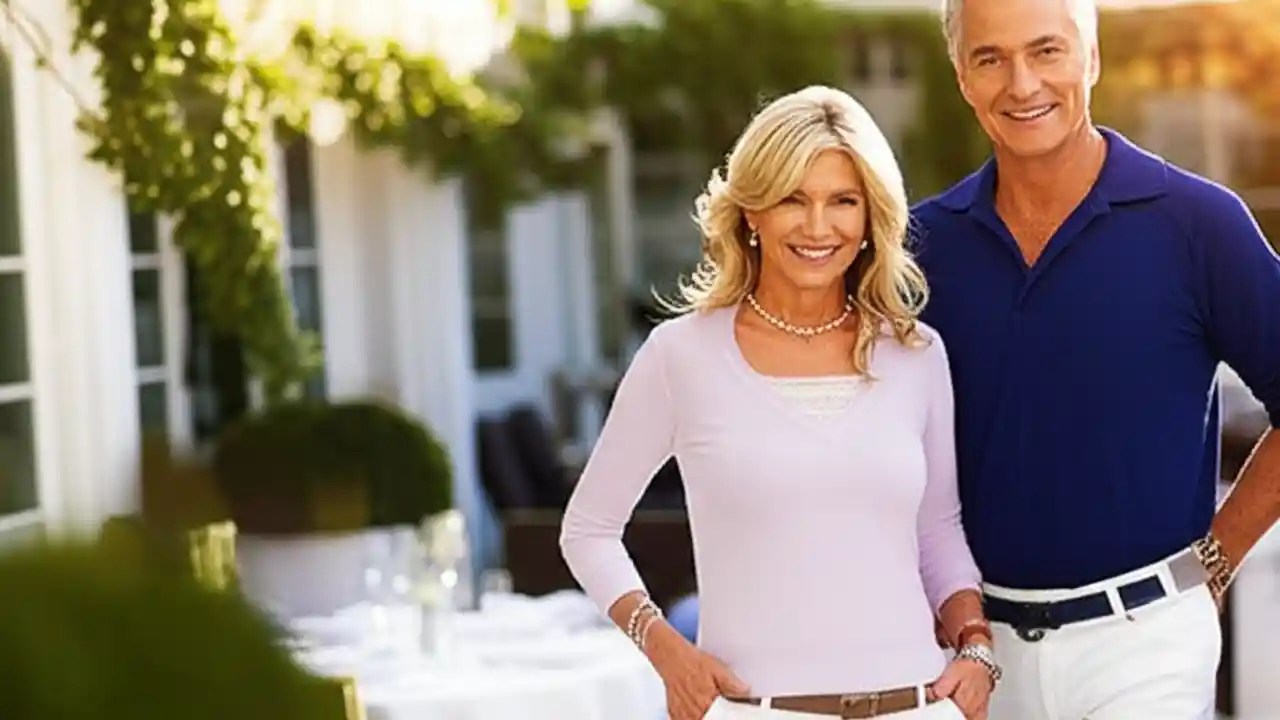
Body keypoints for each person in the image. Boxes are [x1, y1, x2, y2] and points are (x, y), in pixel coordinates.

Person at [561, 85, 999, 720]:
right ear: (751, 213)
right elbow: (589, 531)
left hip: (918, 705)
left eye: (842, 201)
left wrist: (976, 646)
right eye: (794, 198)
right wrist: (665, 650)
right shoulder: (681, 355)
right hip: (757, 710)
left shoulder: (915, 353)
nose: (819, 227)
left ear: (870, 218)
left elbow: (938, 530)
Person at [911, 1, 1280, 718]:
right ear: (962, 76)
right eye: (991, 58)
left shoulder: (1198, 224)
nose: (1022, 84)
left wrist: (1217, 558)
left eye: (1047, 51)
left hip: (1146, 645)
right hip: (978, 654)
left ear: (1092, 59)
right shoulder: (923, 247)